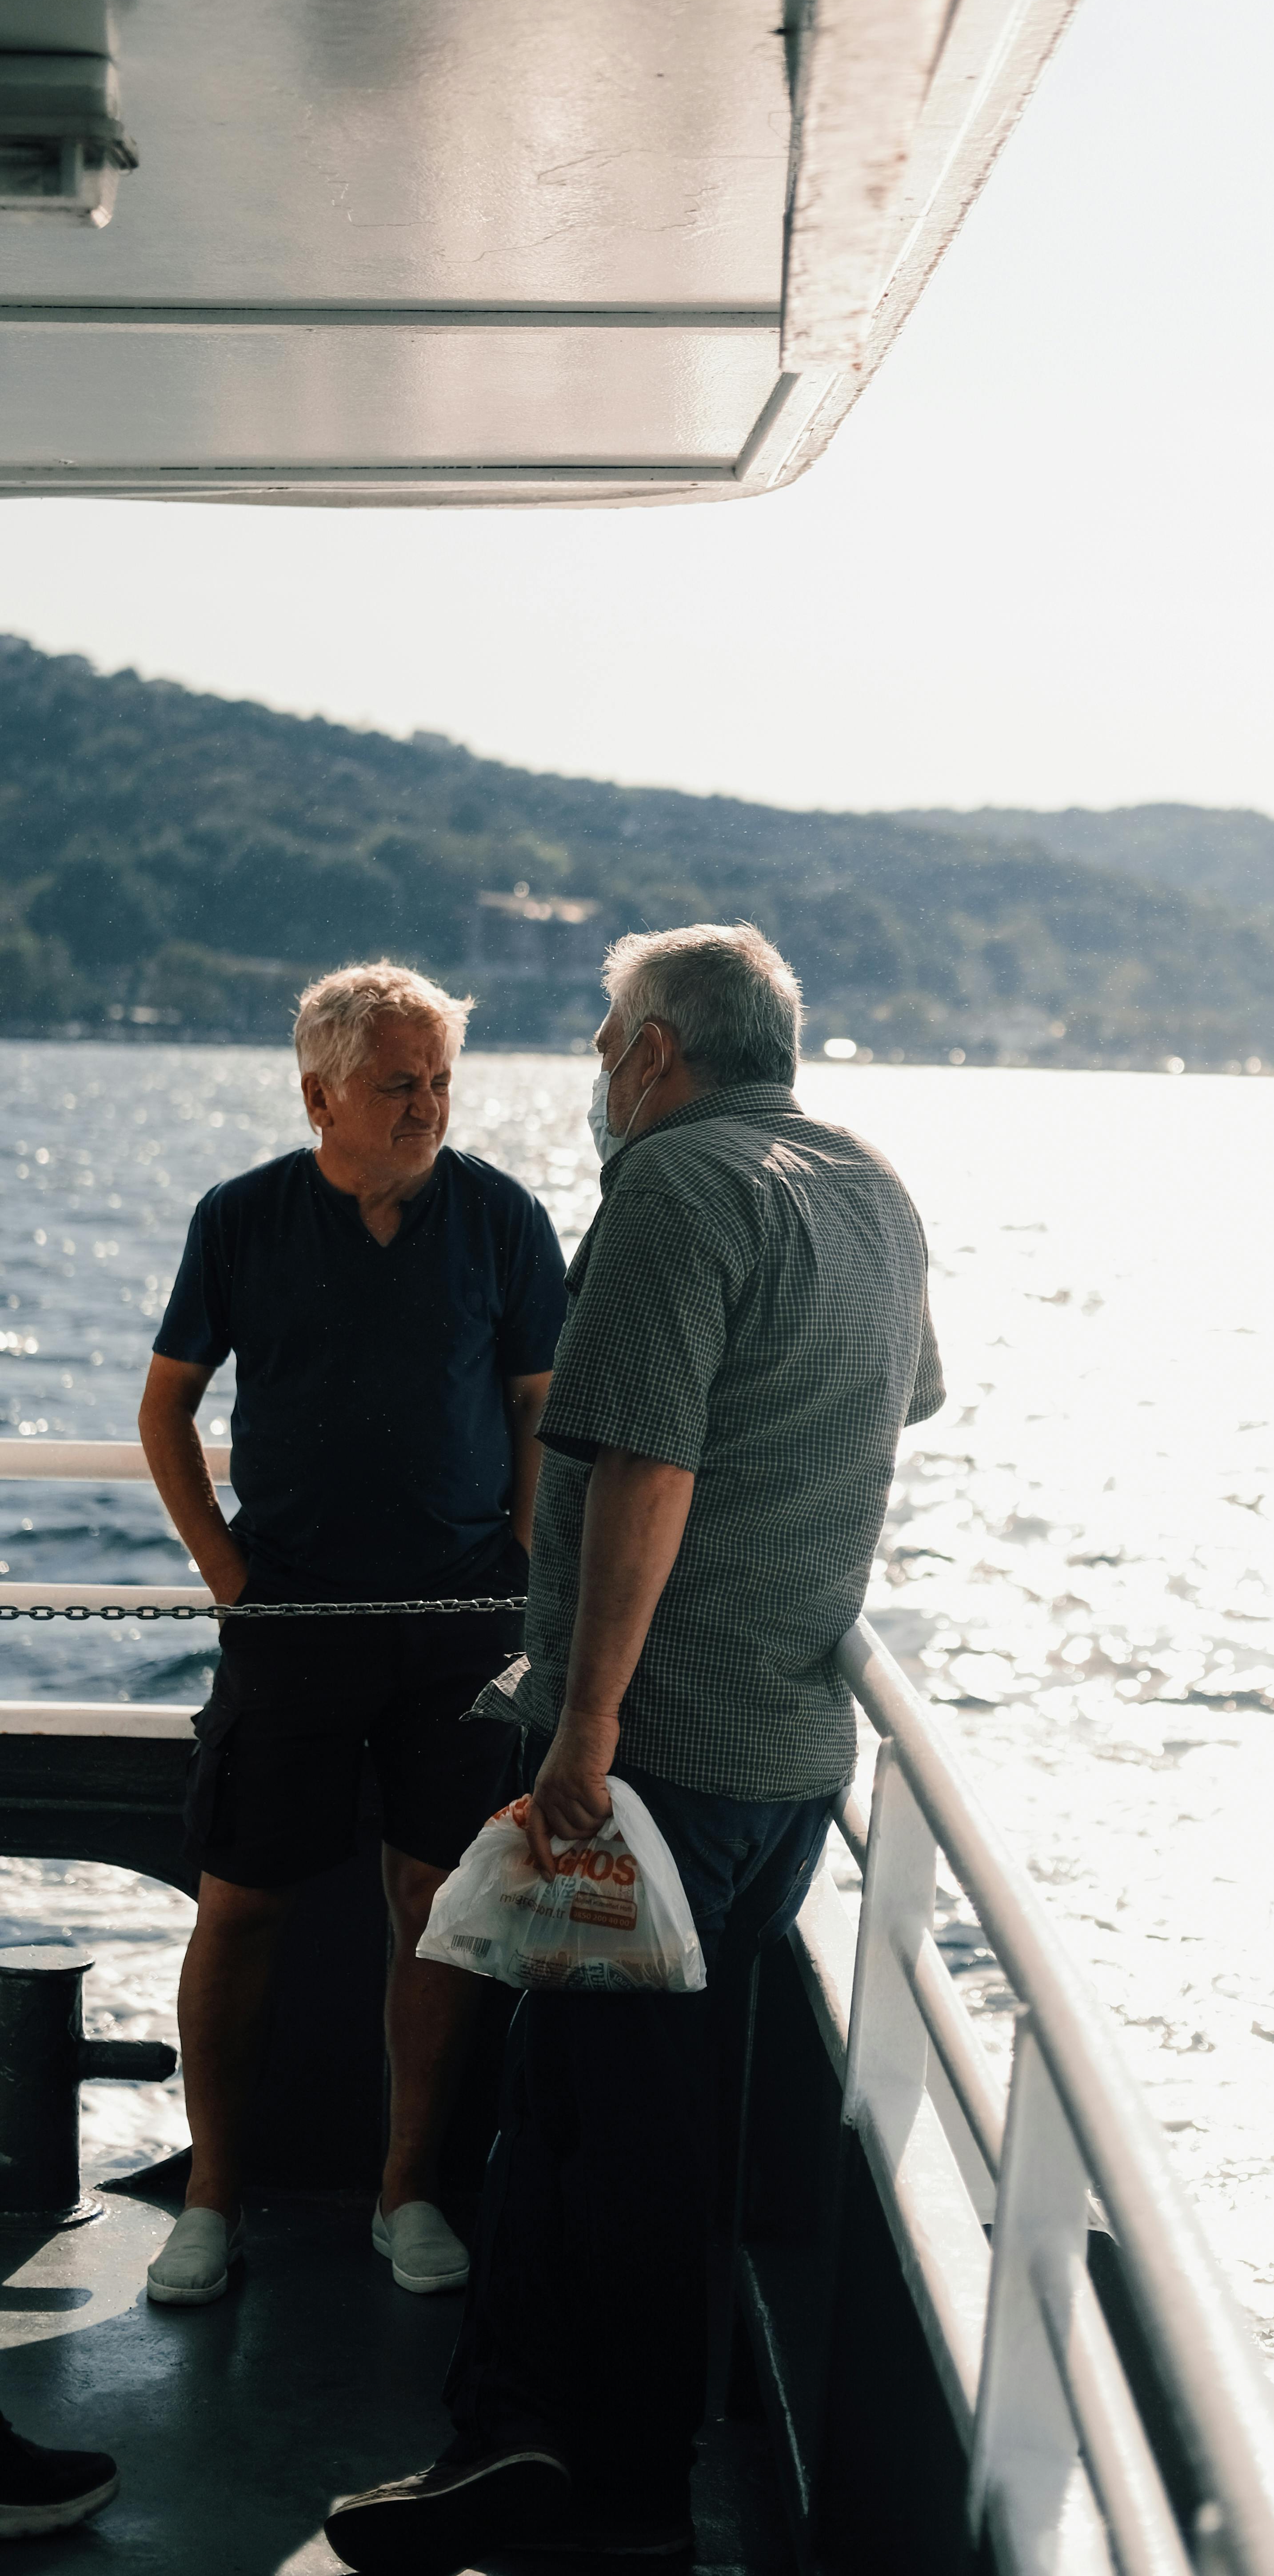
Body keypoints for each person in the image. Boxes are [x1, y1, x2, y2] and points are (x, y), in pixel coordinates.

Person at [323, 921, 943, 2576]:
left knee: (590, 2127)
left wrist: (584, 1730)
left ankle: (564, 2479)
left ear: (657, 1054)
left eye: (608, 1039)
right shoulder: (871, 1185)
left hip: (656, 1756)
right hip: (789, 1757)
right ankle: (593, 2473)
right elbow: (912, 1397)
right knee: (640, 2127)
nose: (600, 1069)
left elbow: (648, 1469)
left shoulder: (673, 1188)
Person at [137, 961, 567, 2311]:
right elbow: (168, 1411)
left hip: (457, 1630)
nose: (428, 1104)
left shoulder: (502, 1220)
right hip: (293, 1623)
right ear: (319, 1089)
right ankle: (211, 2200)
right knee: (244, 1904)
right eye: (400, 1083)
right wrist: (229, 1573)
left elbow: (538, 1415)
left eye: (441, 1079)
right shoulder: (243, 1219)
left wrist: (516, 1564)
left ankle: (408, 2191)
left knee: (436, 1911)